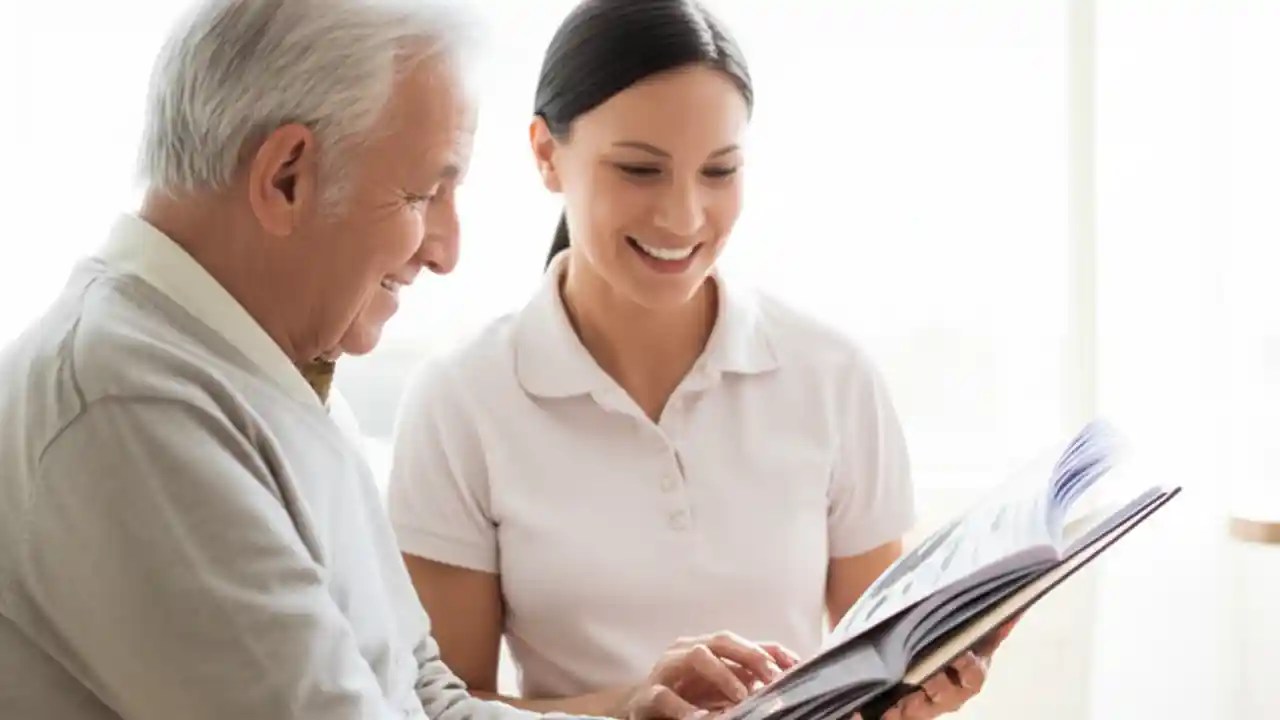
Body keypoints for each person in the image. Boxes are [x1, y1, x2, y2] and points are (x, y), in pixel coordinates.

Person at [0, 1, 777, 718]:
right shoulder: (130, 407)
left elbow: (424, 697)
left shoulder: (271, 371)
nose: (446, 250)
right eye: (420, 197)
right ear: (286, 177)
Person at [386, 2, 1011, 719]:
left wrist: (918, 694)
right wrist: (627, 709)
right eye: (640, 170)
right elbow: (441, 707)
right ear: (545, 154)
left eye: (719, 172)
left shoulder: (832, 377)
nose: (683, 217)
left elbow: (878, 666)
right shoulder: (461, 401)